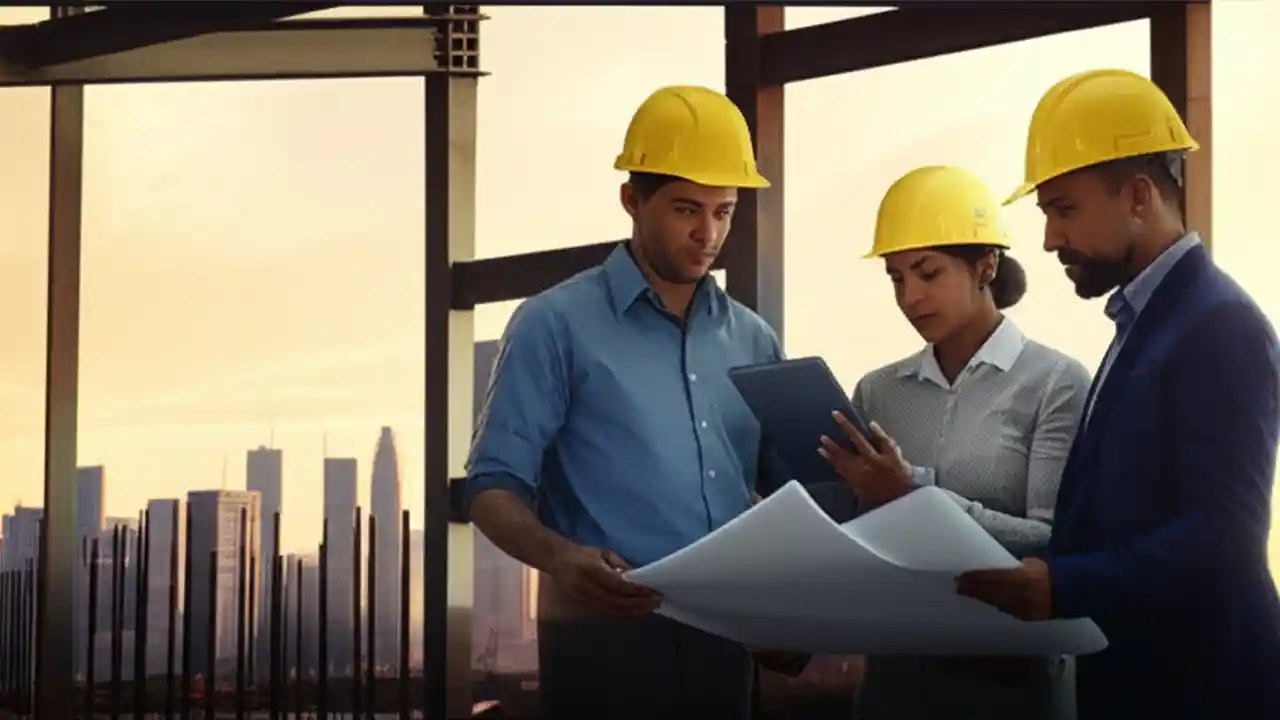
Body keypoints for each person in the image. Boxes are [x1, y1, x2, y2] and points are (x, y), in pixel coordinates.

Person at [956, 68, 1280, 719]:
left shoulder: (1218, 325)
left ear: (1137, 195)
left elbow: (1224, 538)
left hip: (1204, 690)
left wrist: (1063, 584)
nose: (1048, 239)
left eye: (1063, 209)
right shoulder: (1146, 322)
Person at [463, 85, 796, 718]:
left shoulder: (754, 337)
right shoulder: (552, 325)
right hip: (600, 640)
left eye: (724, 212)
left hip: (725, 643)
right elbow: (490, 487)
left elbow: (791, 496)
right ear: (631, 201)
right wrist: (561, 557)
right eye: (685, 210)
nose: (708, 234)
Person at [815, 165, 1091, 719]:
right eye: (895, 278)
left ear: (986, 265)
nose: (910, 297)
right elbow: (854, 535)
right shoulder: (877, 390)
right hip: (894, 678)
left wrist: (911, 492)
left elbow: (1051, 543)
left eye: (927, 273)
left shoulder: (1056, 382)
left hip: (1012, 682)